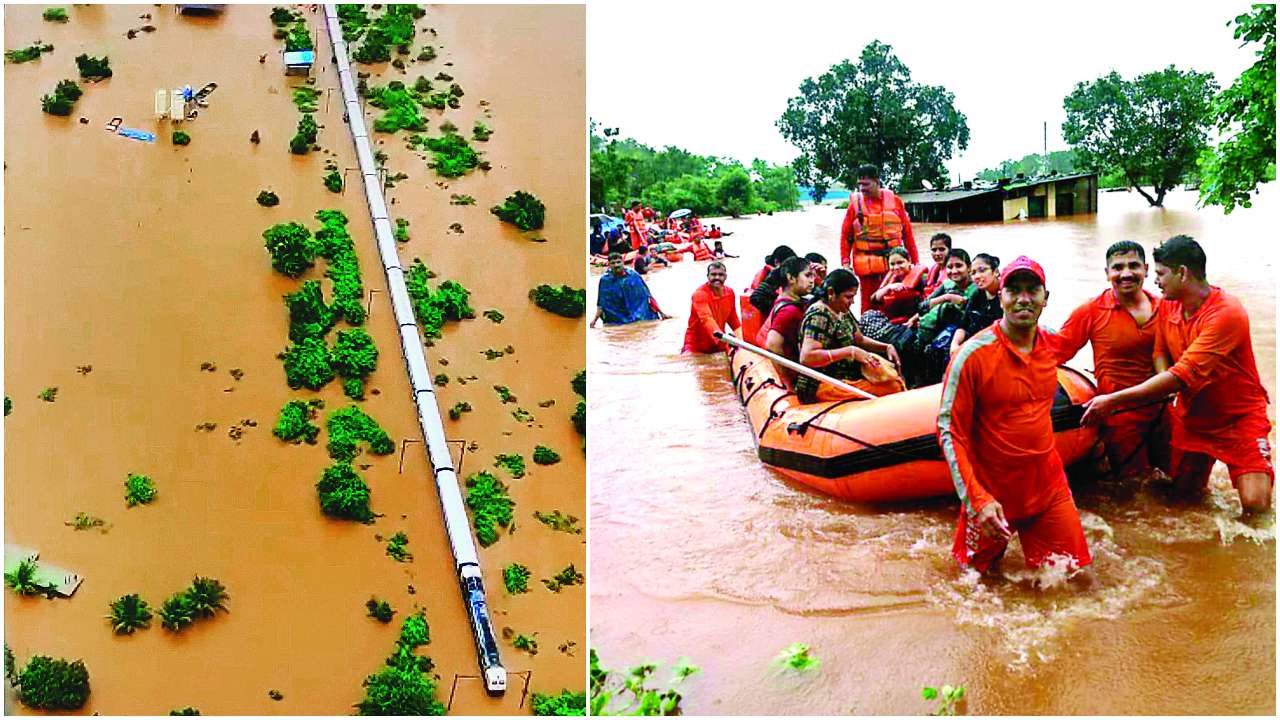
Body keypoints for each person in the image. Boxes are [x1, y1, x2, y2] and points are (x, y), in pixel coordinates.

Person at [1081, 236, 1272, 514]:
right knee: (1183, 499)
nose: (1155, 281)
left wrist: (1113, 400)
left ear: (1182, 273)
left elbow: (1181, 375)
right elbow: (1160, 350)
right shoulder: (1169, 305)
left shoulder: (1226, 314)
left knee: (1256, 506)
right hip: (1193, 416)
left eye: (1160, 274)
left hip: (1238, 417)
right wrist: (1164, 380)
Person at [937, 256, 1094, 584]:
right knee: (973, 585)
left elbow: (1090, 328)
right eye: (1014, 290)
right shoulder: (971, 355)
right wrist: (977, 499)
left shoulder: (1053, 343)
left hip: (1047, 487)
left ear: (1045, 298)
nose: (1024, 298)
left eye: (1032, 290)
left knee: (1079, 581)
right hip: (992, 493)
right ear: (1000, 297)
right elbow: (950, 432)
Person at [1052, 241, 1169, 480]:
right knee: (1134, 487)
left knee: (1176, 480)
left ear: (1146, 269)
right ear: (1107, 273)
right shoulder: (1090, 310)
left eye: (1133, 266)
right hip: (1119, 416)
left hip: (1164, 410)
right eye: (1118, 267)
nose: (1126, 273)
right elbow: (1055, 352)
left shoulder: (1166, 307)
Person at [794, 269, 905, 404]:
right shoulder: (819, 315)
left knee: (894, 380)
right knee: (893, 388)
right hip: (821, 383)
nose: (852, 302)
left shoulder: (842, 310)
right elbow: (807, 357)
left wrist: (886, 347)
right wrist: (850, 352)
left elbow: (859, 339)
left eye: (853, 297)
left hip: (846, 376)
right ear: (831, 293)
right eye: (848, 297)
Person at [839, 164, 919, 310]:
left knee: (895, 303)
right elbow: (846, 237)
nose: (862, 188)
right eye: (859, 184)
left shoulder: (896, 202)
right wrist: (845, 263)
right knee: (868, 305)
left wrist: (915, 262)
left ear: (877, 182)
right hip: (867, 268)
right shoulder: (854, 206)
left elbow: (907, 235)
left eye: (866, 184)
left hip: (894, 266)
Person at [757, 257, 816, 386]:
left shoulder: (788, 301)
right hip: (799, 375)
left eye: (813, 276)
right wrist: (788, 382)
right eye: (808, 275)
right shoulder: (789, 311)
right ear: (791, 278)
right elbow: (772, 345)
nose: (812, 281)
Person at [590, 252, 671, 327]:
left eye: (618, 262)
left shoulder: (633, 276)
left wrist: (661, 313)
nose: (616, 265)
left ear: (623, 262)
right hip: (617, 318)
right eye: (613, 263)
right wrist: (594, 321)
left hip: (638, 315)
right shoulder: (605, 280)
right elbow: (602, 302)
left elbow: (647, 296)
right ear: (609, 265)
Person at [948, 253, 1003, 357]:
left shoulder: (1006, 295)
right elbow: (964, 323)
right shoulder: (978, 294)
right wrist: (954, 344)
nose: (977, 276)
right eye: (973, 273)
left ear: (995, 271)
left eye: (982, 270)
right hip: (975, 345)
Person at [682, 262, 741, 354]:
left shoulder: (730, 293)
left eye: (720, 275)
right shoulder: (700, 294)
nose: (717, 277)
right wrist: (724, 341)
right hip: (696, 345)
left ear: (725, 277)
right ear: (708, 276)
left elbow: (734, 321)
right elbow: (706, 319)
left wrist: (742, 340)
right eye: (713, 274)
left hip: (718, 341)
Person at [869, 247, 927, 325]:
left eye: (900, 263)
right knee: (867, 317)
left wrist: (916, 319)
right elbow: (874, 299)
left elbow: (929, 303)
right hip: (894, 319)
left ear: (909, 261)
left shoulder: (922, 279)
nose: (896, 267)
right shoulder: (891, 279)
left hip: (914, 320)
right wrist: (888, 287)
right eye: (892, 264)